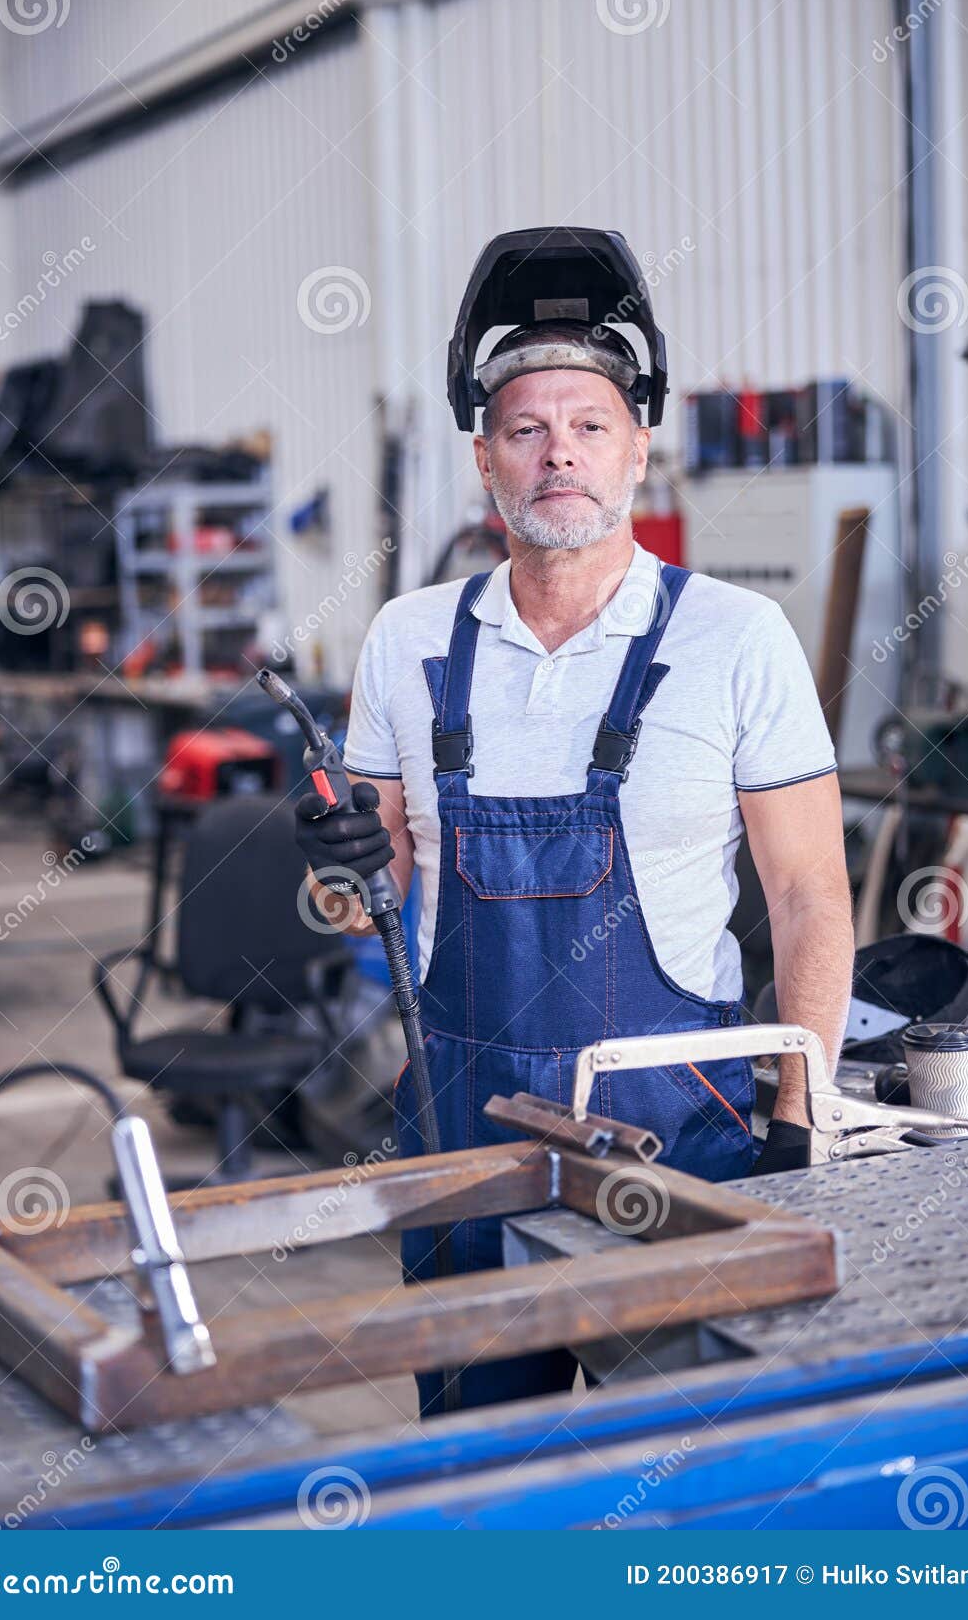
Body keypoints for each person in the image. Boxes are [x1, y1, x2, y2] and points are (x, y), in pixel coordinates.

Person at [295, 273, 853, 1418]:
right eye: (526, 429)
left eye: (589, 425)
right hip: (462, 1125)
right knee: (478, 1457)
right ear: (485, 459)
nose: (560, 453)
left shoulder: (735, 638)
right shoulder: (406, 640)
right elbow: (369, 897)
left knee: (684, 1458)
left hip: (674, 1133)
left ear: (638, 448)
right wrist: (340, 867)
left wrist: (800, 1118)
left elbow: (806, 895)